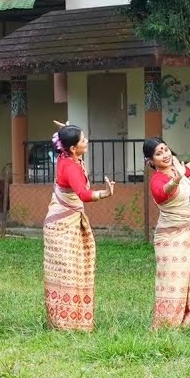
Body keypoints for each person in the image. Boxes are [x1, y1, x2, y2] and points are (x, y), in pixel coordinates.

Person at [43, 123, 116, 331]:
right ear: (73, 148)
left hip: (66, 221)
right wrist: (105, 193)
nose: (87, 142)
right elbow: (84, 195)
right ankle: (65, 323)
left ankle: (73, 320)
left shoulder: (66, 156)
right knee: (67, 271)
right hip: (62, 224)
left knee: (75, 269)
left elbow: (61, 141)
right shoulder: (71, 167)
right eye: (83, 140)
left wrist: (67, 129)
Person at [144, 133, 190, 329]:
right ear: (151, 160)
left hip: (187, 231)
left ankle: (188, 319)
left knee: (189, 277)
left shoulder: (177, 171)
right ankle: (167, 323)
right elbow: (163, 192)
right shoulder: (158, 179)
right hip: (170, 236)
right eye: (158, 153)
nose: (164, 155)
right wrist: (176, 179)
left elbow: (187, 171)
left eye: (165, 149)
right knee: (173, 279)